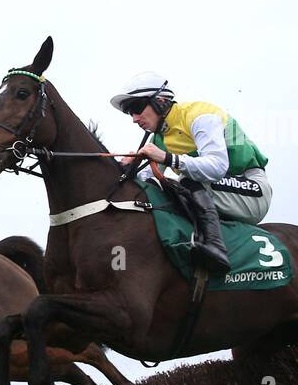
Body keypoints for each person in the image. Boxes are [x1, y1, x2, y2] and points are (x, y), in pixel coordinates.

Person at [111, 73, 272, 274]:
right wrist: (122, 167)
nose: (134, 119)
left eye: (136, 108)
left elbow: (217, 166)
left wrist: (168, 158)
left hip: (251, 190)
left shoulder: (200, 115)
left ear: (160, 102)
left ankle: (215, 247)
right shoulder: (160, 137)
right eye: (129, 113)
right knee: (158, 189)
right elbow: (146, 180)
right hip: (221, 193)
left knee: (185, 180)